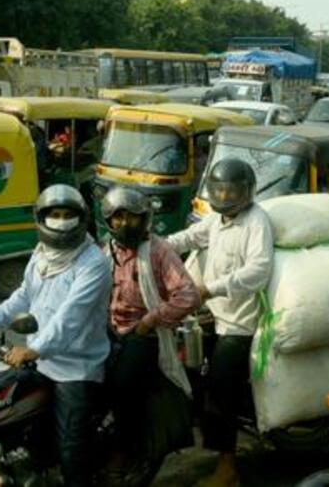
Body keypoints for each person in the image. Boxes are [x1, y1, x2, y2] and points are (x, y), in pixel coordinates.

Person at [0, 184, 111, 486]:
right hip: (40, 360)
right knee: (16, 426)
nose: (61, 221)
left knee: (71, 451)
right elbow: (22, 296)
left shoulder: (93, 263)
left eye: (68, 215)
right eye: (55, 215)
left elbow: (70, 318)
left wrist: (33, 351)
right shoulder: (42, 253)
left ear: (81, 218)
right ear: (41, 219)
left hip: (75, 368)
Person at [166, 158, 274, 487]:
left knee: (219, 390)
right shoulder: (217, 220)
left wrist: (209, 288)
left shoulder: (257, 222)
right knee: (185, 370)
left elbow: (259, 270)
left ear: (247, 191)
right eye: (219, 189)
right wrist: (151, 245)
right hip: (213, 316)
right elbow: (187, 237)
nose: (225, 196)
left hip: (239, 325)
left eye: (232, 190)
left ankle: (228, 469)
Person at [100, 186, 200, 482]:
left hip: (144, 336)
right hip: (110, 330)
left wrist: (149, 321)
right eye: (117, 218)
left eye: (131, 217)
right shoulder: (108, 250)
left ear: (144, 218)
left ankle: (129, 448)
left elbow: (187, 295)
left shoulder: (158, 250)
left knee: (121, 386)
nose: (124, 224)